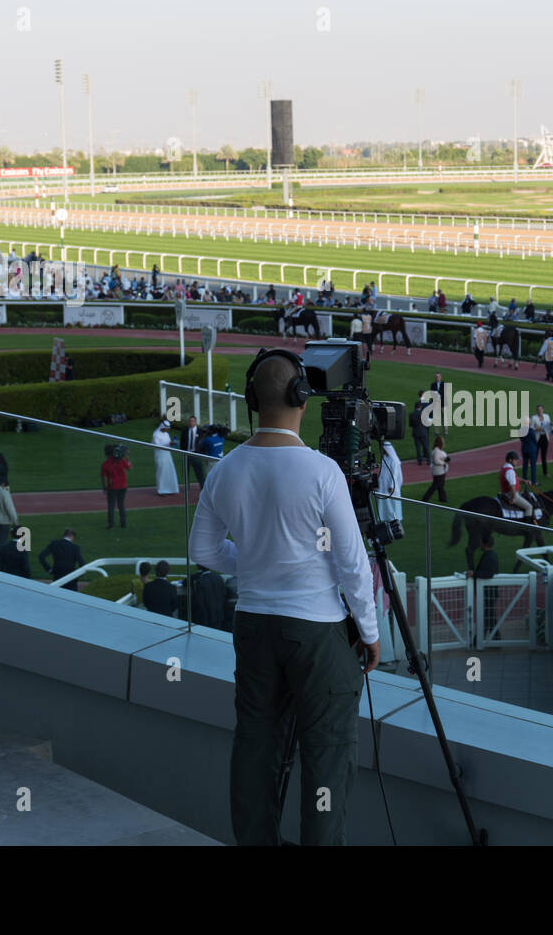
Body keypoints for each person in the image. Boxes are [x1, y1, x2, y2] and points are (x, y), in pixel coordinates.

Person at [188, 348, 377, 846]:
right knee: (327, 759)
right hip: (316, 633)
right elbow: (352, 564)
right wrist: (372, 633)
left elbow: (203, 551)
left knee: (254, 747)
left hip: (253, 627)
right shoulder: (321, 472)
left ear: (252, 398)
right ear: (302, 397)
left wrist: (251, 561)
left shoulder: (225, 469)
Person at [189, 564, 229, 631]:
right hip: (218, 614)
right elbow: (224, 594)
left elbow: (200, 602)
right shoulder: (218, 578)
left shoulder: (200, 582)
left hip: (206, 617)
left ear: (198, 567)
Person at [101, 444, 131, 529]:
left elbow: (104, 478)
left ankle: (111, 525)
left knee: (111, 506)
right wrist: (127, 457)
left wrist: (104, 488)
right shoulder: (121, 460)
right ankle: (123, 523)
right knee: (121, 505)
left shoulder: (105, 464)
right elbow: (129, 467)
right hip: (123, 486)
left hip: (112, 487)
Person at [499, 451, 536, 518]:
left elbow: (514, 478)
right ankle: (526, 527)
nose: (517, 462)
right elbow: (512, 486)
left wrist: (524, 481)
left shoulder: (505, 467)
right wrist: (513, 498)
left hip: (506, 492)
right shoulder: (509, 471)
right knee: (529, 507)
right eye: (515, 460)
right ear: (510, 460)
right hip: (511, 494)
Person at [375, 440, 403, 526]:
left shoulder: (394, 460)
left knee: (393, 503)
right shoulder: (385, 458)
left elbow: (394, 474)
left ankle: (396, 518)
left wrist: (391, 485)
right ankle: (386, 517)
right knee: (385, 502)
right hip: (383, 485)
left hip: (391, 486)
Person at [152, 419, 179, 495]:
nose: (167, 429)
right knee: (161, 472)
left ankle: (171, 489)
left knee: (170, 471)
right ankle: (161, 490)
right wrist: (168, 444)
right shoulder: (156, 434)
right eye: (166, 428)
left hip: (168, 455)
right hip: (160, 456)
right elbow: (157, 446)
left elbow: (168, 443)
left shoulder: (166, 434)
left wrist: (172, 444)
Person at [422, 435, 450, 503]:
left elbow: (439, 459)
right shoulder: (437, 451)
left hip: (439, 471)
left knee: (440, 485)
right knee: (435, 485)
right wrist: (443, 463)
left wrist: (445, 460)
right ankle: (425, 498)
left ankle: (442, 498)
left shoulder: (437, 450)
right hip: (438, 471)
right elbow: (436, 460)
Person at [183, 416, 208, 490]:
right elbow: (182, 443)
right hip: (186, 454)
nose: (191, 423)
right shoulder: (185, 431)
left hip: (196, 454)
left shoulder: (200, 432)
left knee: (199, 472)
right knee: (185, 472)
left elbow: (203, 444)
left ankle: (202, 487)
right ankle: (187, 487)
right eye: (190, 421)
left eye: (193, 421)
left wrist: (204, 454)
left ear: (196, 422)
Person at [531, 405, 552, 476]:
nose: (539, 411)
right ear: (536, 411)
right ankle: (533, 472)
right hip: (537, 438)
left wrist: (550, 425)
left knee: (544, 456)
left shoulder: (547, 416)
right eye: (538, 410)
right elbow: (531, 429)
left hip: (545, 438)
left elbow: (549, 426)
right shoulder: (534, 418)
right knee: (535, 456)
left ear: (543, 410)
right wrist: (538, 429)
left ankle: (545, 472)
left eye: (540, 409)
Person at [409, 396, 430, 465]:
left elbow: (411, 424)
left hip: (415, 432)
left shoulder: (411, 414)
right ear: (420, 407)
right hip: (423, 432)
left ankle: (420, 461)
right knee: (426, 447)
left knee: (418, 448)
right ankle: (429, 460)